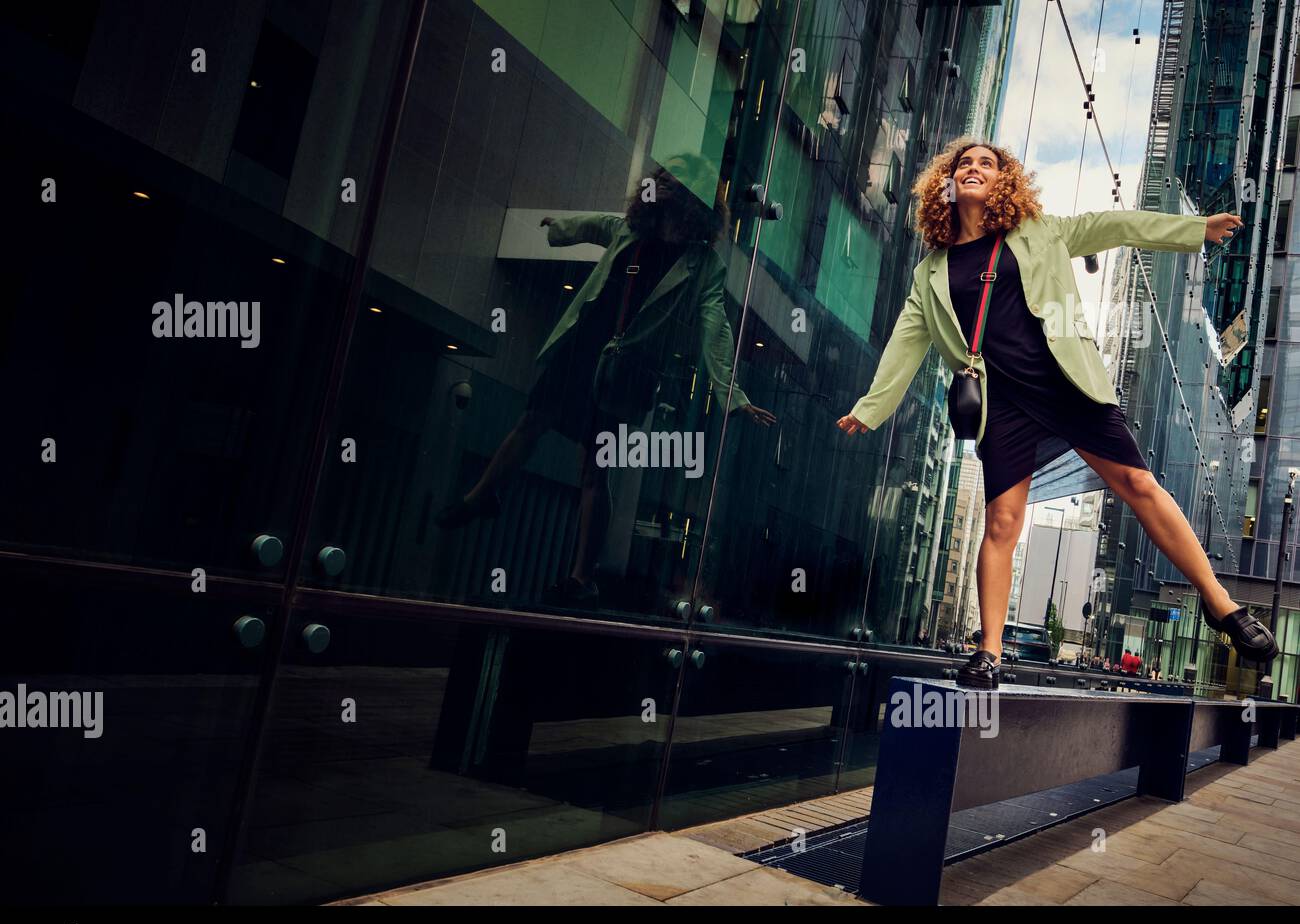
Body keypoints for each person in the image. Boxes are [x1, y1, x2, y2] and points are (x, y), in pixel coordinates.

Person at [836, 135, 1278, 689]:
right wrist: (870, 409)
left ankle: (1221, 603)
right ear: (946, 187)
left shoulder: (1040, 231)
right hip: (1003, 405)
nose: (973, 169)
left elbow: (1116, 225)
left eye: (986, 164)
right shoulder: (931, 272)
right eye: (963, 165)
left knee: (1138, 483)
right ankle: (990, 651)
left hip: (1066, 383)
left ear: (1004, 182)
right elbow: (907, 341)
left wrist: (1195, 231)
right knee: (1001, 522)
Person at [434, 153, 775, 603]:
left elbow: (716, 325)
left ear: (693, 206)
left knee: (596, 470)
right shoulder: (632, 231)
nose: (664, 195)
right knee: (531, 421)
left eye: (674, 189)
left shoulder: (703, 265)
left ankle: (580, 577)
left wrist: (731, 393)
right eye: (663, 186)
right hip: (582, 349)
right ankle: (481, 496)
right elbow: (595, 224)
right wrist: (560, 229)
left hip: (625, 373)